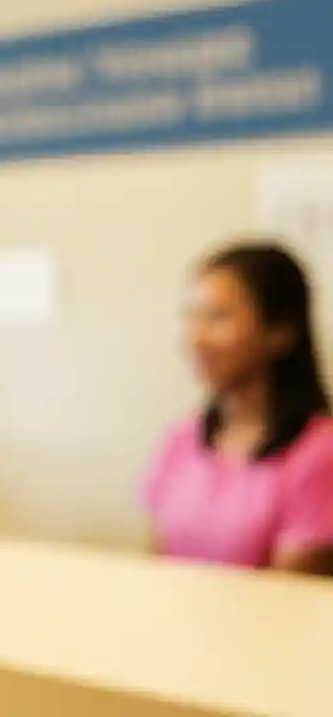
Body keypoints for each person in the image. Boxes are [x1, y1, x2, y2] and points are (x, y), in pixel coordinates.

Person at [144, 241, 333, 574]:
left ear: (280, 332)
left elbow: (289, 593)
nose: (195, 337)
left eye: (218, 317)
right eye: (192, 315)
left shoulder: (320, 453)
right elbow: (155, 566)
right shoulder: (182, 439)